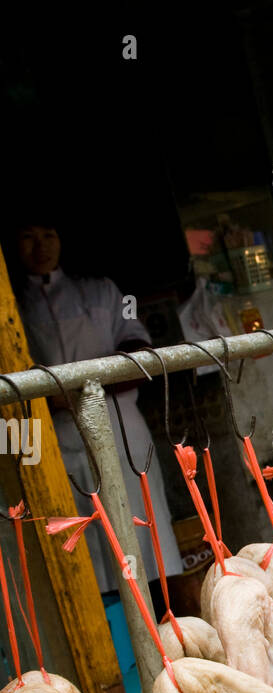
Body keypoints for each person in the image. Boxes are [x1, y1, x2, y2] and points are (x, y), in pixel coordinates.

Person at [14, 217, 183, 597]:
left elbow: (142, 353)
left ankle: (165, 616)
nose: (40, 246)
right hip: (50, 440)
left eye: (48, 234)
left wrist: (80, 389)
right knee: (83, 544)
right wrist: (44, 398)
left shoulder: (104, 292)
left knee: (145, 534)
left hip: (121, 429)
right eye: (28, 237)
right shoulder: (12, 308)